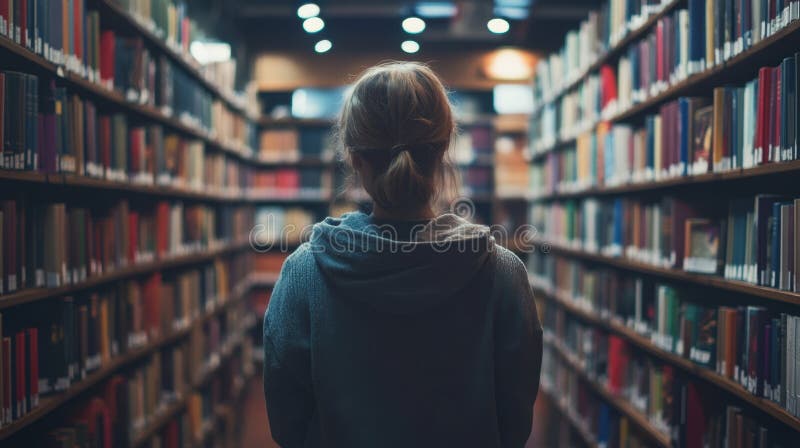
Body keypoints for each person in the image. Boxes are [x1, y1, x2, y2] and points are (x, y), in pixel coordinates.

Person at [262, 62, 542, 448]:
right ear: (444, 149)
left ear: (355, 158)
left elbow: (287, 423)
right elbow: (515, 421)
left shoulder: (304, 273)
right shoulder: (503, 272)